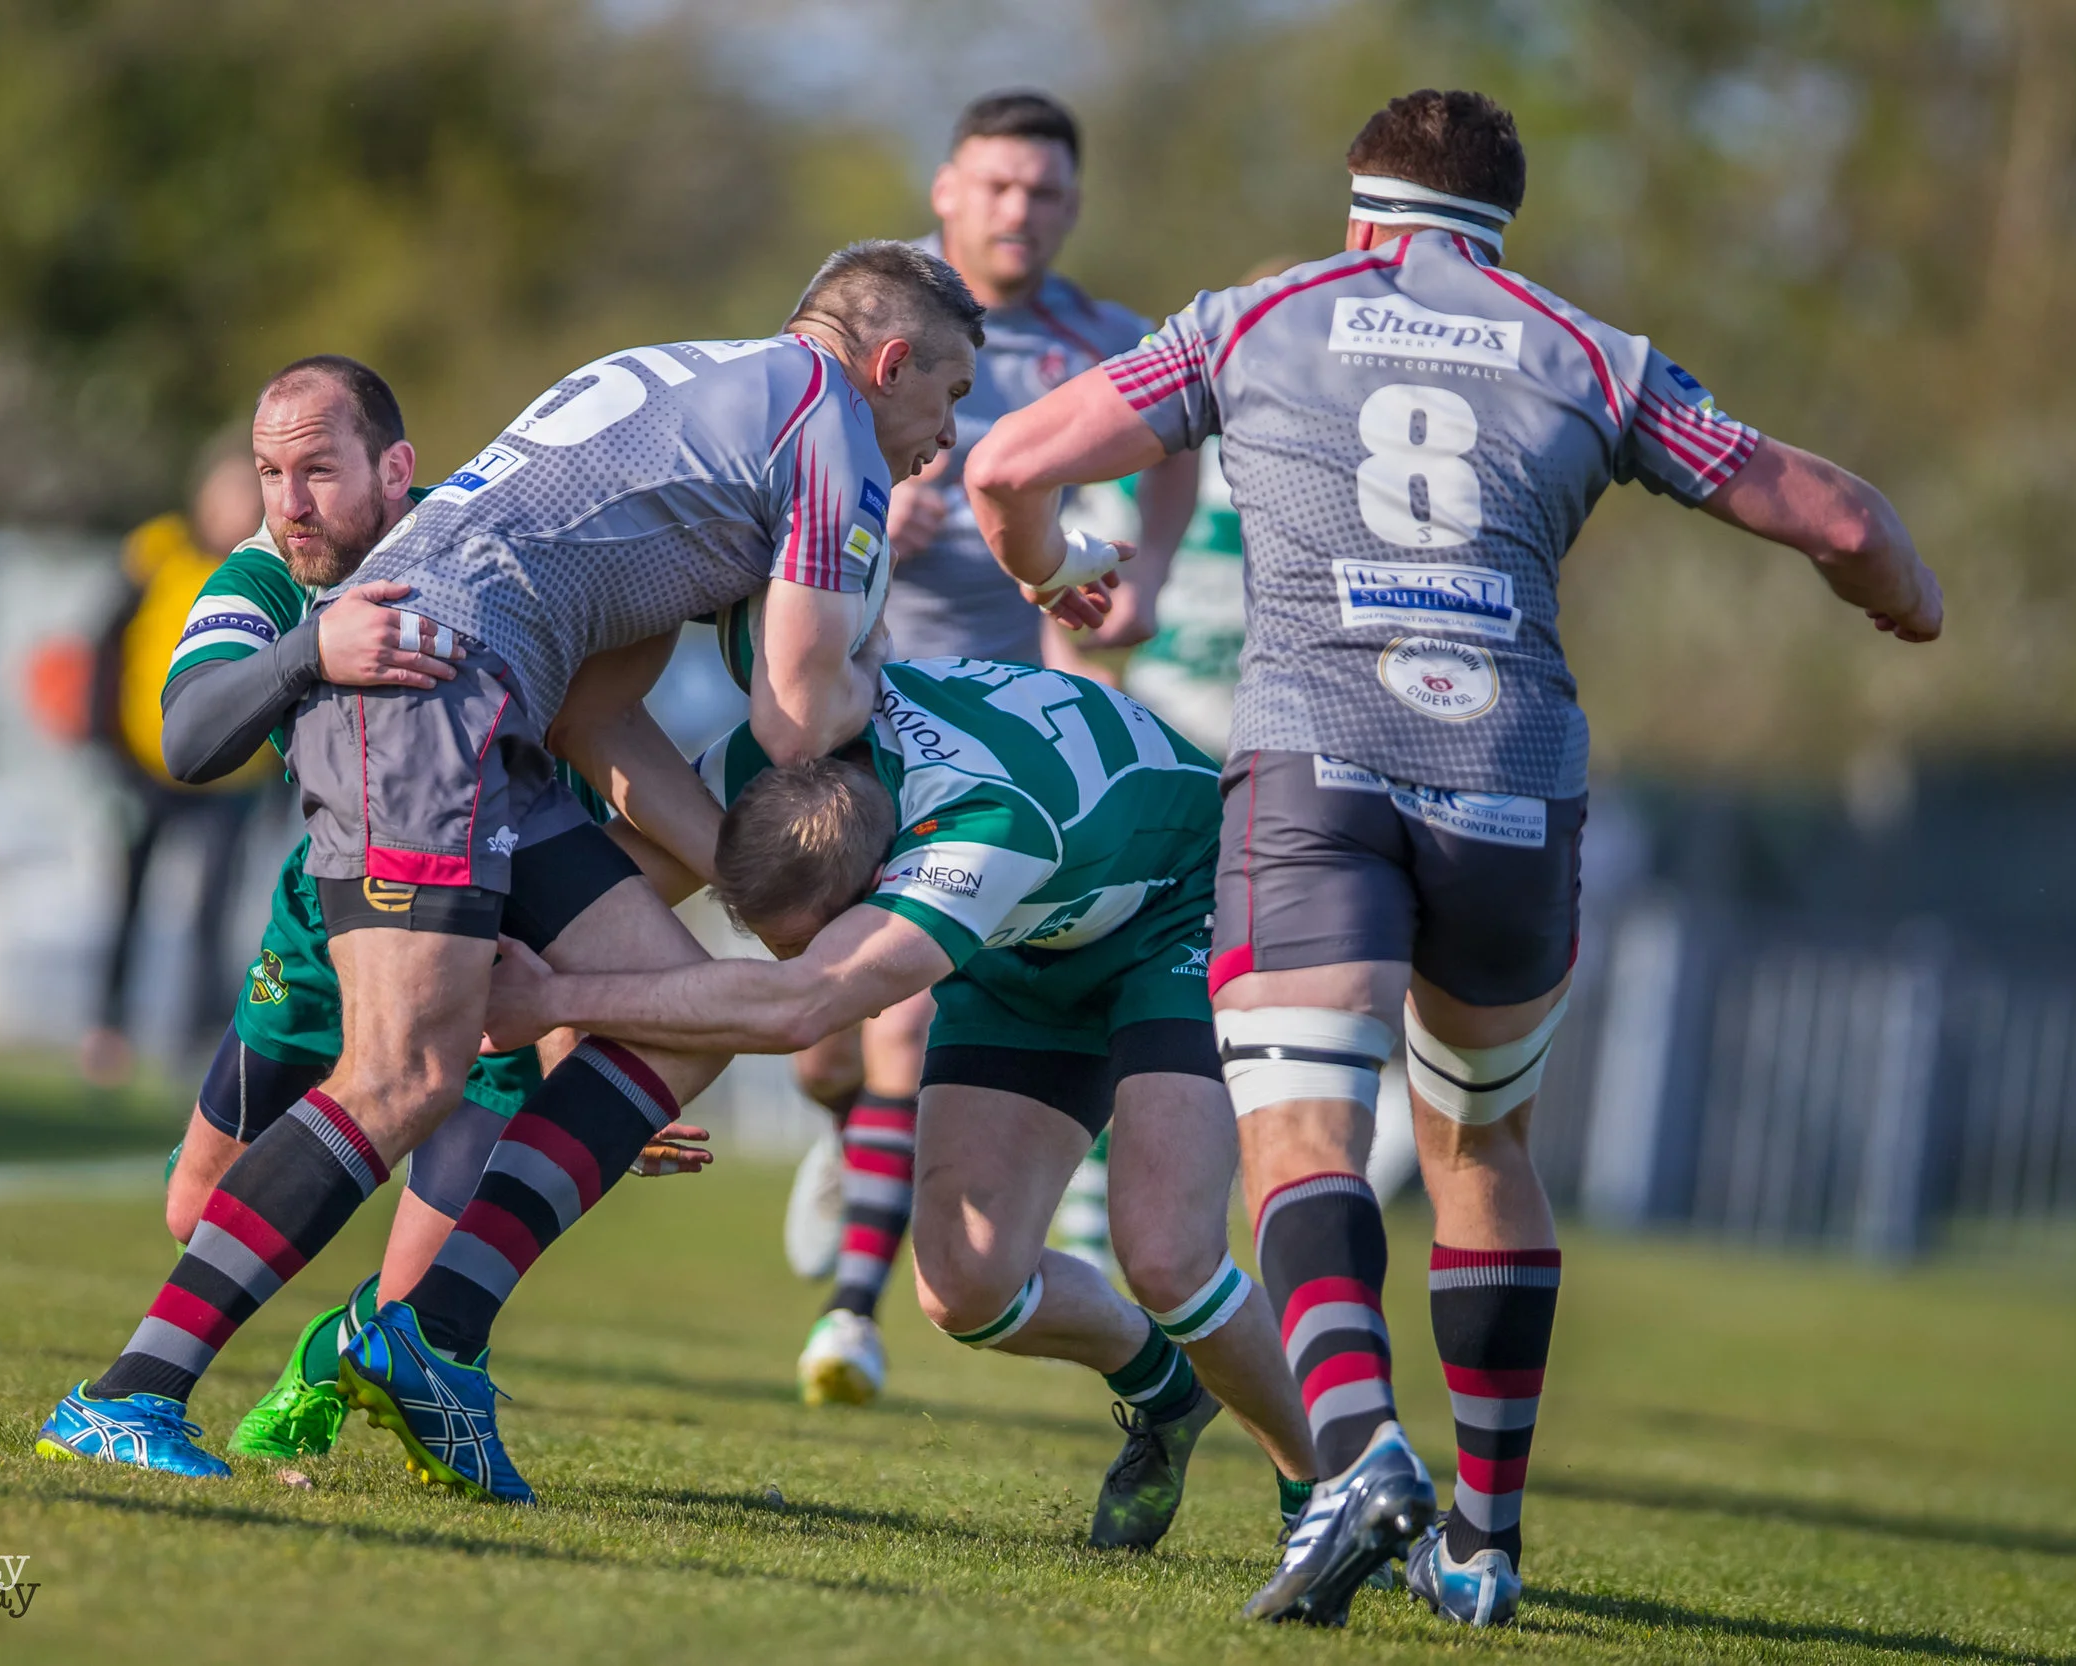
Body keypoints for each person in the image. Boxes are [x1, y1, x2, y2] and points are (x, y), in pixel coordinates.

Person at [966, 89, 1943, 1627]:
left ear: (1361, 215)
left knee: (1301, 1140)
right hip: (1511, 781)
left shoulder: (1259, 316)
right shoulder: (1588, 351)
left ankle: (1355, 1449)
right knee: (1482, 1148)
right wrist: (1904, 593)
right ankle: (1482, 1541)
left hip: (1316, 767)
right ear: (1503, 225)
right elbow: (1831, 514)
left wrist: (1065, 572)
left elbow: (1014, 462)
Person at [37, 242, 984, 1500]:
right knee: (406, 1072)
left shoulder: (688, 390)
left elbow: (597, 720)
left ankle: (421, 1341)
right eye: (951, 397)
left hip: (499, 720)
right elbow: (801, 719)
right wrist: (894, 688)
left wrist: (755, 892)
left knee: (681, 1020)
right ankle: (128, 1394)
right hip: (428, 687)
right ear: (890, 361)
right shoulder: (832, 430)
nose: (948, 434)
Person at [480, 655, 1321, 1553]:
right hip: (1036, 921)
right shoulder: (780, 758)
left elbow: (800, 1004)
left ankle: (1326, 1490)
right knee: (966, 1289)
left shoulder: (982, 833)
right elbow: (612, 883)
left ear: (884, 880)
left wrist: (558, 1005)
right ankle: (1165, 1394)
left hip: (1183, 903)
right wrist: (574, 1057)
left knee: (1167, 1257)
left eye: (796, 937)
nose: (771, 948)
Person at [132, 395, 712, 1460]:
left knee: (415, 1306)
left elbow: (593, 766)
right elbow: (191, 735)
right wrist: (313, 649)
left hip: (502, 928)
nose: (290, 502)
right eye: (270, 473)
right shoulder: (265, 576)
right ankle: (151, 1384)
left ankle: (312, 1361)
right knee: (196, 1214)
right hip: (326, 925)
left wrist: (588, 1064)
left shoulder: (486, 550)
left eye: (317, 471)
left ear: (396, 467)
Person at [784, 89, 1203, 1407]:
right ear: (948, 187)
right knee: (826, 1035)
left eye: (1046, 192)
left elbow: (1177, 434)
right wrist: (855, 508)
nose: (1021, 210)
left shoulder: (1104, 339)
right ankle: (850, 1131)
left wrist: (1152, 574)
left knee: (902, 1006)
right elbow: (776, 428)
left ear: (1071, 209)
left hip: (991, 736)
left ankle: (853, 1314)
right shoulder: (871, 303)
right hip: (850, 694)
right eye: (999, 185)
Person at [77, 438, 276, 1086]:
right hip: (145, 765)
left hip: (233, 777)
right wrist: (103, 740)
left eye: (248, 495)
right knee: (127, 899)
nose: (233, 507)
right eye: (226, 492)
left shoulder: (269, 569)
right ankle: (109, 1029)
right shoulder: (158, 551)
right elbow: (106, 645)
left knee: (212, 911)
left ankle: (194, 1044)